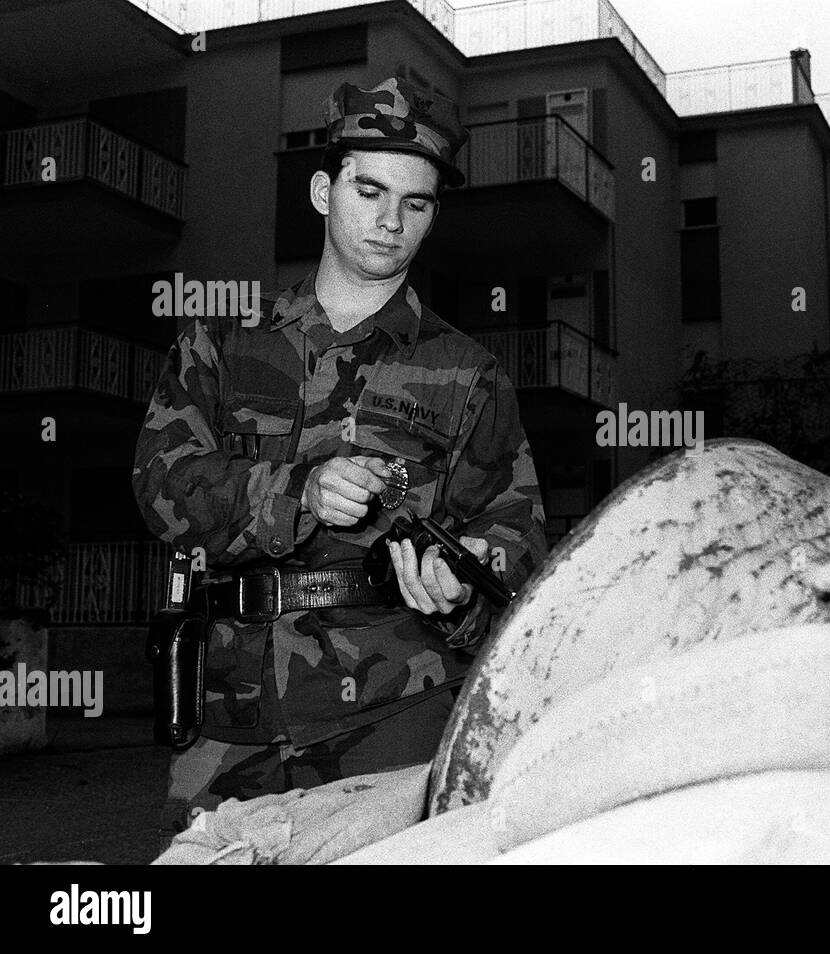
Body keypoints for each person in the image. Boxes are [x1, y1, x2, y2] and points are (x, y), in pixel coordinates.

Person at [132, 77, 548, 845]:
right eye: (369, 189)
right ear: (324, 191)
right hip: (231, 716)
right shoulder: (222, 343)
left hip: (394, 721)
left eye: (416, 203)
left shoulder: (469, 374)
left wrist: (464, 586)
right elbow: (161, 489)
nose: (391, 221)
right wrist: (297, 493)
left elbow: (520, 548)